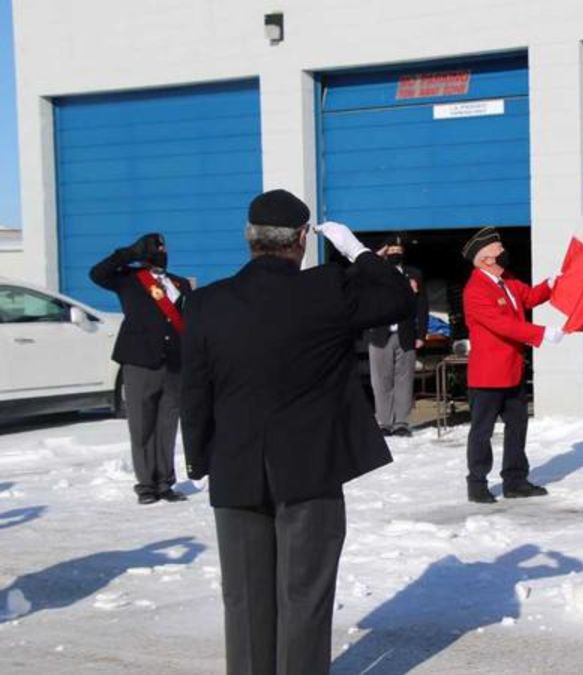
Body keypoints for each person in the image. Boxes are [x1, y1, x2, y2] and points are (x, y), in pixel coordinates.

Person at [180, 189, 413, 675]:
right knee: (304, 597)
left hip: (237, 468)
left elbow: (195, 392)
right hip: (311, 470)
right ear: (302, 238)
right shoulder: (326, 290)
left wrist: (201, 460)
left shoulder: (206, 303)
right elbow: (397, 298)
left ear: (249, 237)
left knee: (245, 601)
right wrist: (358, 251)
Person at [461, 227, 562, 504]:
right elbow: (503, 325)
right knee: (482, 431)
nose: (504, 251)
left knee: (517, 426)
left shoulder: (507, 280)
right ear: (486, 259)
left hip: (512, 370)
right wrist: (542, 333)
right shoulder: (475, 290)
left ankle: (515, 480)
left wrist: (551, 284)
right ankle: (477, 483)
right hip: (488, 376)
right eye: (498, 249)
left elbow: (529, 297)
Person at [89, 232, 192, 505]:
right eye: (155, 249)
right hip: (140, 362)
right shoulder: (129, 279)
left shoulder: (180, 284)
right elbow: (97, 274)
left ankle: (165, 482)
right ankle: (146, 484)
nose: (161, 253)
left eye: (163, 248)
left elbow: (189, 322)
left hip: (173, 363)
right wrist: (128, 254)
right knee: (142, 425)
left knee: (167, 425)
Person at [366, 235, 429, 437]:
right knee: (380, 380)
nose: (395, 253)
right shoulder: (374, 274)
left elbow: (422, 306)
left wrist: (421, 334)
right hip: (379, 334)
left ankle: (401, 422)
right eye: (391, 250)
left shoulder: (414, 274)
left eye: (398, 250)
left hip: (406, 333)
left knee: (404, 379)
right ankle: (384, 422)